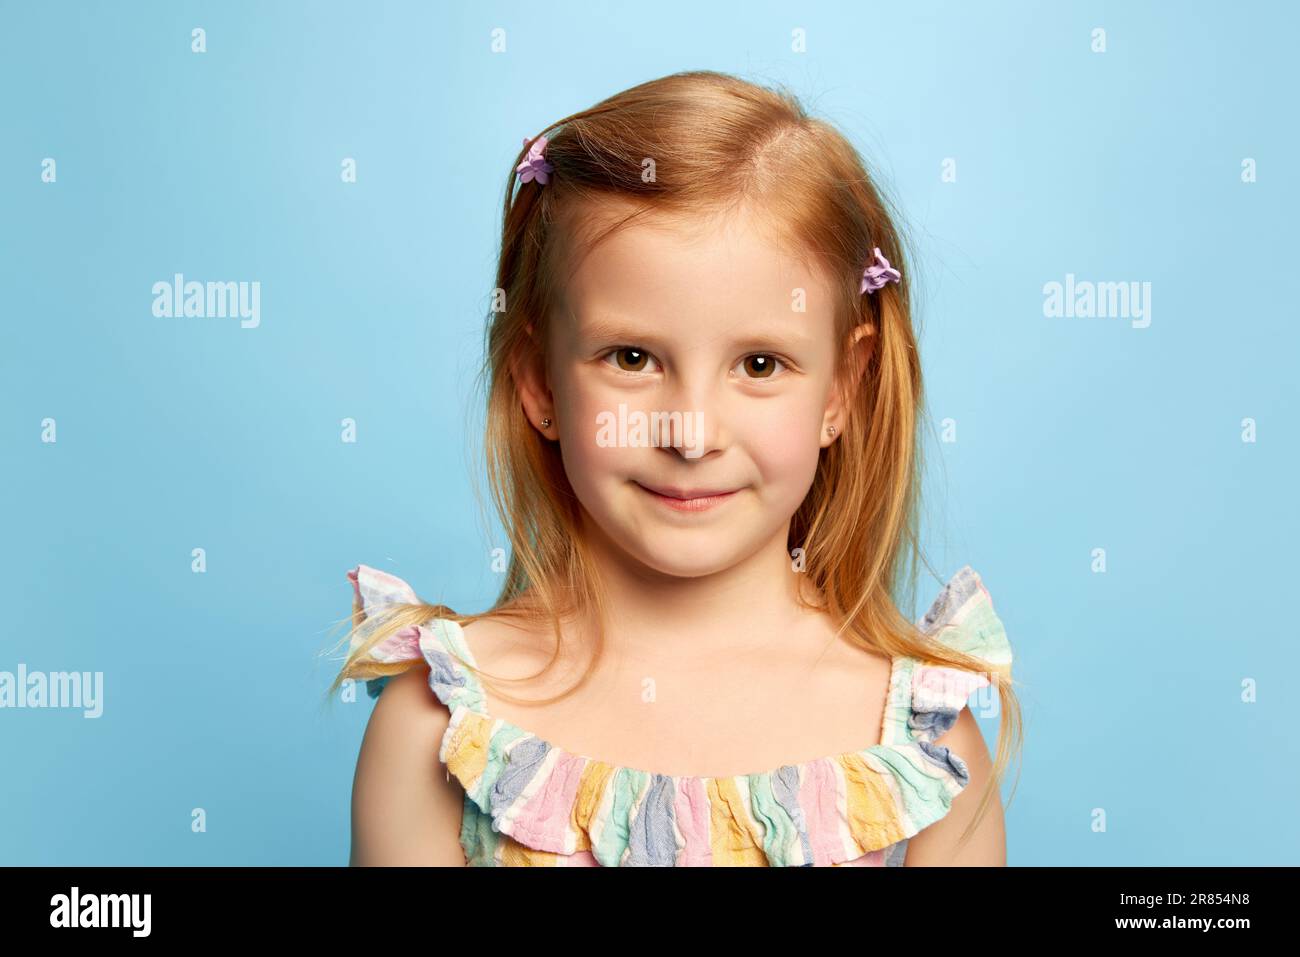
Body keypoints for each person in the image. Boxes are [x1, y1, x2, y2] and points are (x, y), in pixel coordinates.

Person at [328, 69, 1022, 867]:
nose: (691, 433)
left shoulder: (922, 750)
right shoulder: (440, 727)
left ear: (842, 390)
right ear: (537, 379)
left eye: (760, 364)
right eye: (631, 356)